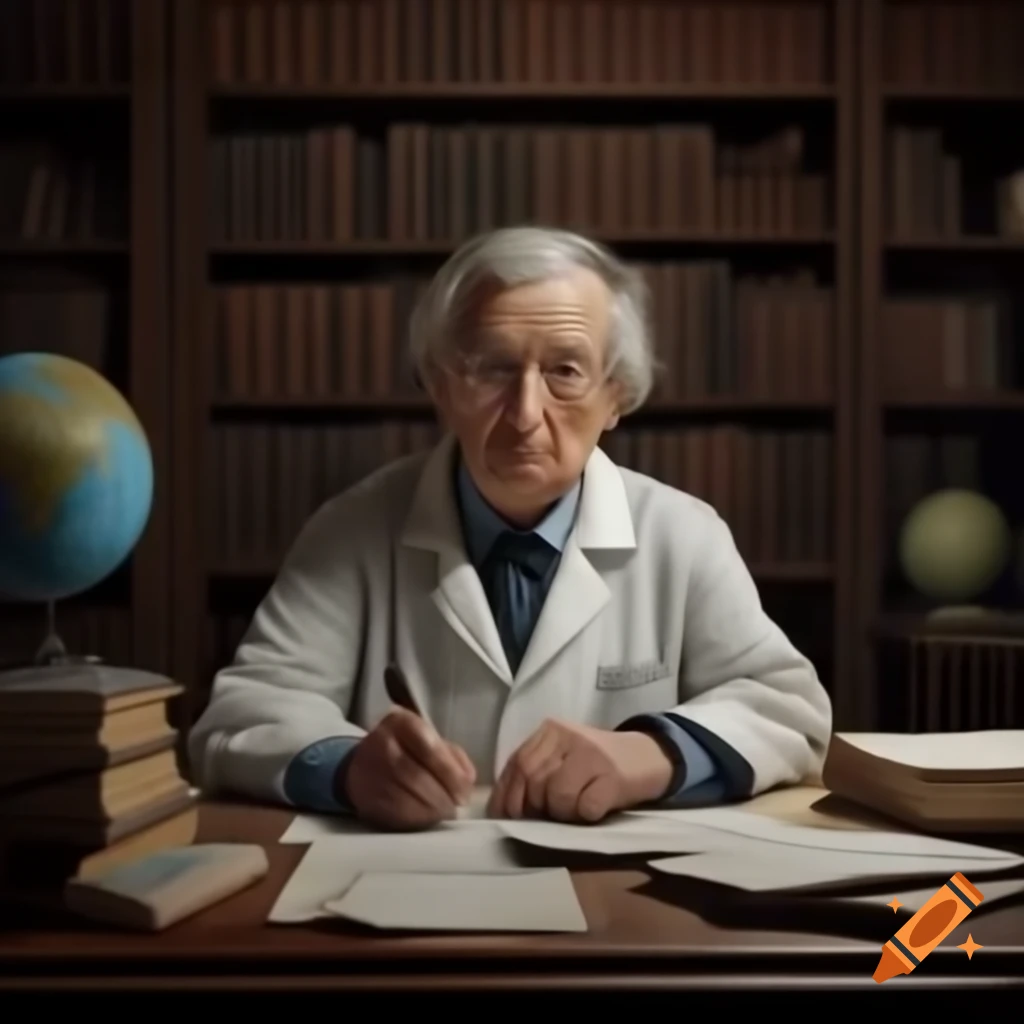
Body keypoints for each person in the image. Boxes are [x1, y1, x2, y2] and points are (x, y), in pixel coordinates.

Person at [188, 226, 832, 830]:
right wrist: (347, 768)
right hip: (409, 900)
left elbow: (791, 713)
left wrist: (649, 753)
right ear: (440, 385)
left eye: (566, 372)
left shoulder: (682, 534)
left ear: (617, 396)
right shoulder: (351, 529)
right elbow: (240, 718)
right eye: (493, 367)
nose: (526, 414)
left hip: (618, 906)